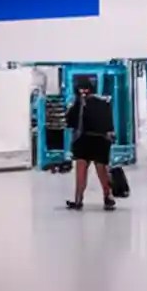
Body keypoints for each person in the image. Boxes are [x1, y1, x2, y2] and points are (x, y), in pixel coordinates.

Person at [64, 78, 117, 211]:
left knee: (82, 171)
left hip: (85, 141)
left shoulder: (78, 104)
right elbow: (109, 124)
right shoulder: (103, 103)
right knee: (102, 171)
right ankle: (107, 197)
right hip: (100, 141)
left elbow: (69, 122)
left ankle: (79, 199)